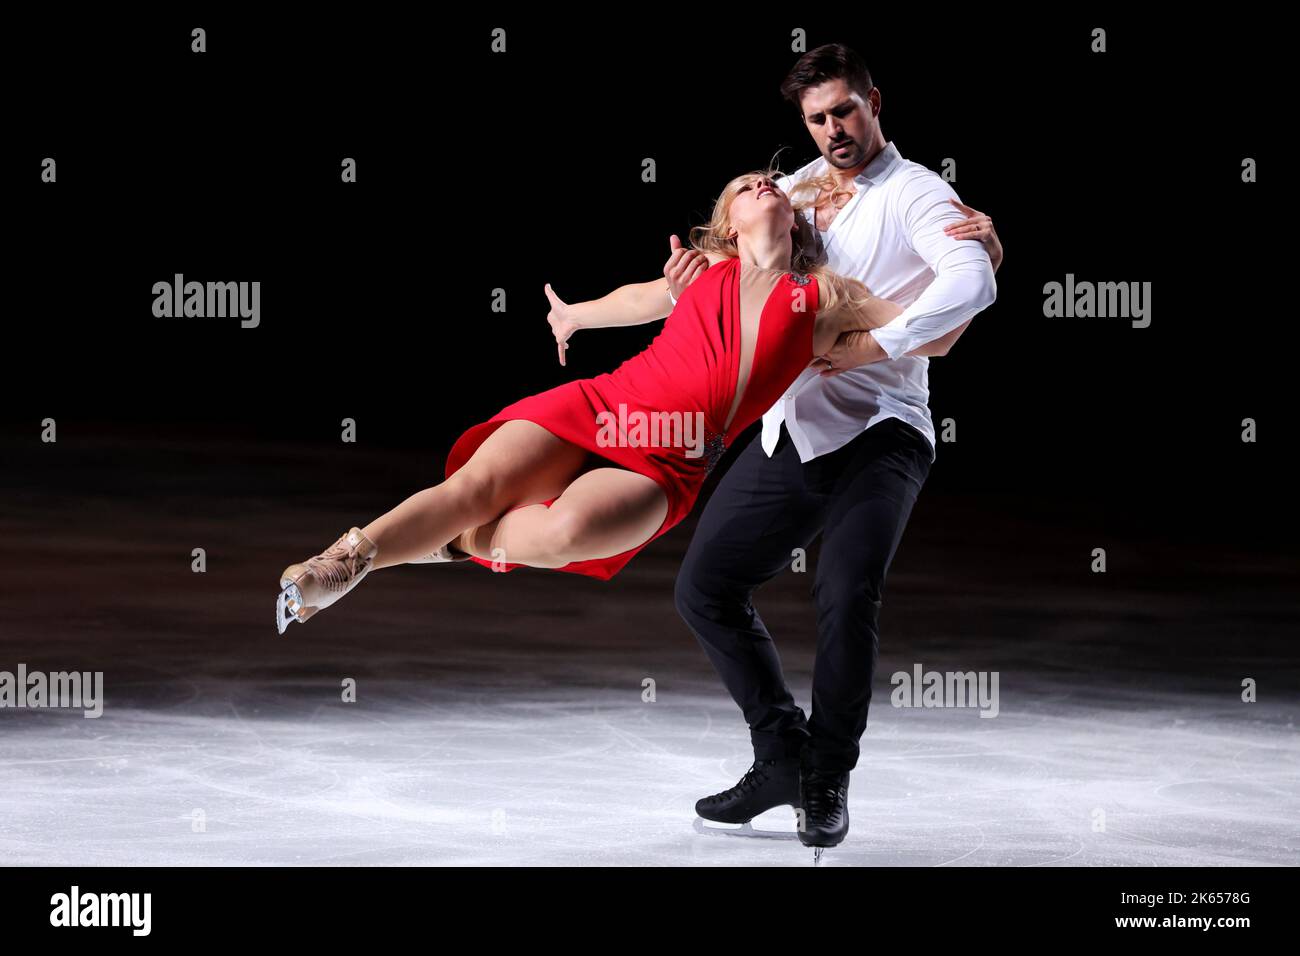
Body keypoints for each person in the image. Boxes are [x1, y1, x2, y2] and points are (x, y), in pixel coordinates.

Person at [549, 43, 1003, 853]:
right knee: (704, 588)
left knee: (844, 592)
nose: (834, 128)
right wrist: (578, 314)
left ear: (874, 101)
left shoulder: (918, 192)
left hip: (881, 431)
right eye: (817, 118)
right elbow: (688, 284)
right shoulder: (793, 189)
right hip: (791, 430)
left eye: (845, 110)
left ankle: (827, 775)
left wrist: (879, 345)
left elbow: (974, 284)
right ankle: (780, 756)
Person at [275, 170, 911, 636]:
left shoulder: (826, 298)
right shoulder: (702, 270)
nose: (764, 184)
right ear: (728, 223)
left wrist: (983, 259)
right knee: (471, 489)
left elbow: (930, 330)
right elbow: (640, 300)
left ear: (794, 219)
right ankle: (341, 564)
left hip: (673, 461)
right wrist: (575, 315)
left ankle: (458, 543)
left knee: (566, 533)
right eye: (746, 186)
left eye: (771, 180)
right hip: (605, 404)